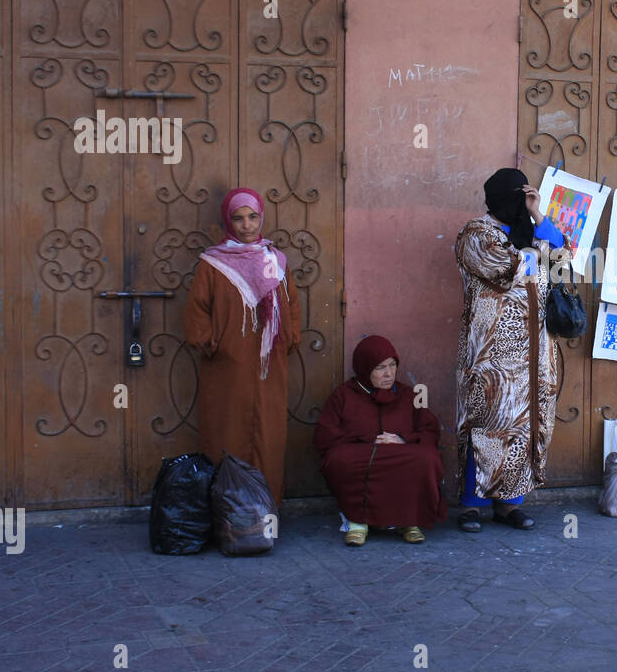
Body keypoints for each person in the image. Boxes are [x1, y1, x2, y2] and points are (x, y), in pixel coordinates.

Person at [454, 167, 565, 533]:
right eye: (516, 199)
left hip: (533, 352)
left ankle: (508, 505)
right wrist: (538, 251)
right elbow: (507, 269)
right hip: (490, 354)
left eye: (524, 198)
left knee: (523, 426)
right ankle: (472, 504)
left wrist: (538, 216)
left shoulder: (528, 231)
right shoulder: (475, 234)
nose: (518, 205)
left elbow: (563, 264)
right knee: (487, 420)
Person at [184, 188, 300, 507]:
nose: (246, 225)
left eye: (252, 217)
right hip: (227, 365)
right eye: (238, 218)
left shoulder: (275, 260)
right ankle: (228, 513)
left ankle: (264, 511)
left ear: (261, 217)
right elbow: (197, 310)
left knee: (269, 432)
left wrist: (288, 338)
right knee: (227, 431)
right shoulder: (213, 263)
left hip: (268, 364)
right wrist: (212, 344)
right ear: (228, 221)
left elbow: (291, 303)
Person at [314, 335, 447, 545]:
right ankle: (358, 522)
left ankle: (409, 521)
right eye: (380, 368)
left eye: (393, 365)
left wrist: (402, 440)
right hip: (363, 453)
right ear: (364, 368)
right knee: (340, 458)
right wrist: (368, 441)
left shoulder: (408, 395)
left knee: (427, 457)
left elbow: (429, 431)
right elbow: (325, 435)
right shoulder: (343, 395)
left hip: (402, 454)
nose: (389, 373)